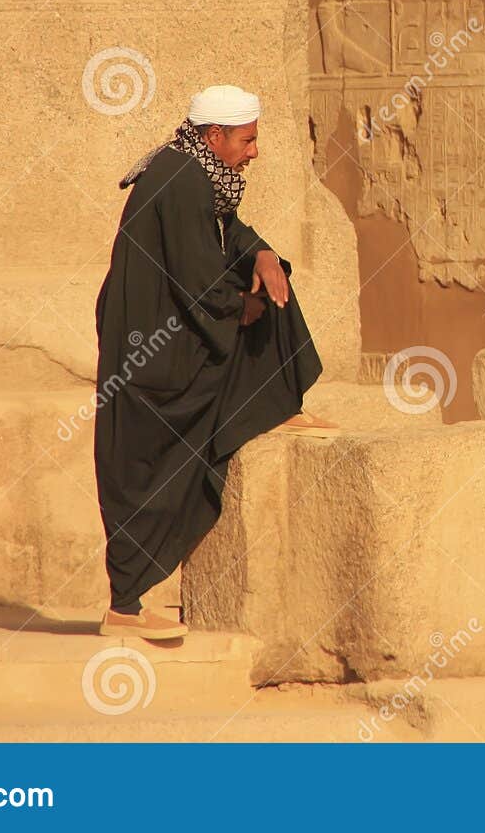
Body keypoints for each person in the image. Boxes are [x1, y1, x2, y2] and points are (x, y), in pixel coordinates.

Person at [91, 84, 332, 640]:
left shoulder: (194, 172)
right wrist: (240, 306)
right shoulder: (181, 184)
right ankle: (124, 609)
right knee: (144, 467)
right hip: (151, 354)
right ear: (214, 136)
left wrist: (264, 253)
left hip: (161, 337)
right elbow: (199, 278)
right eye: (246, 141)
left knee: (273, 283)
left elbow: (223, 230)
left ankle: (273, 404)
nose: (253, 152)